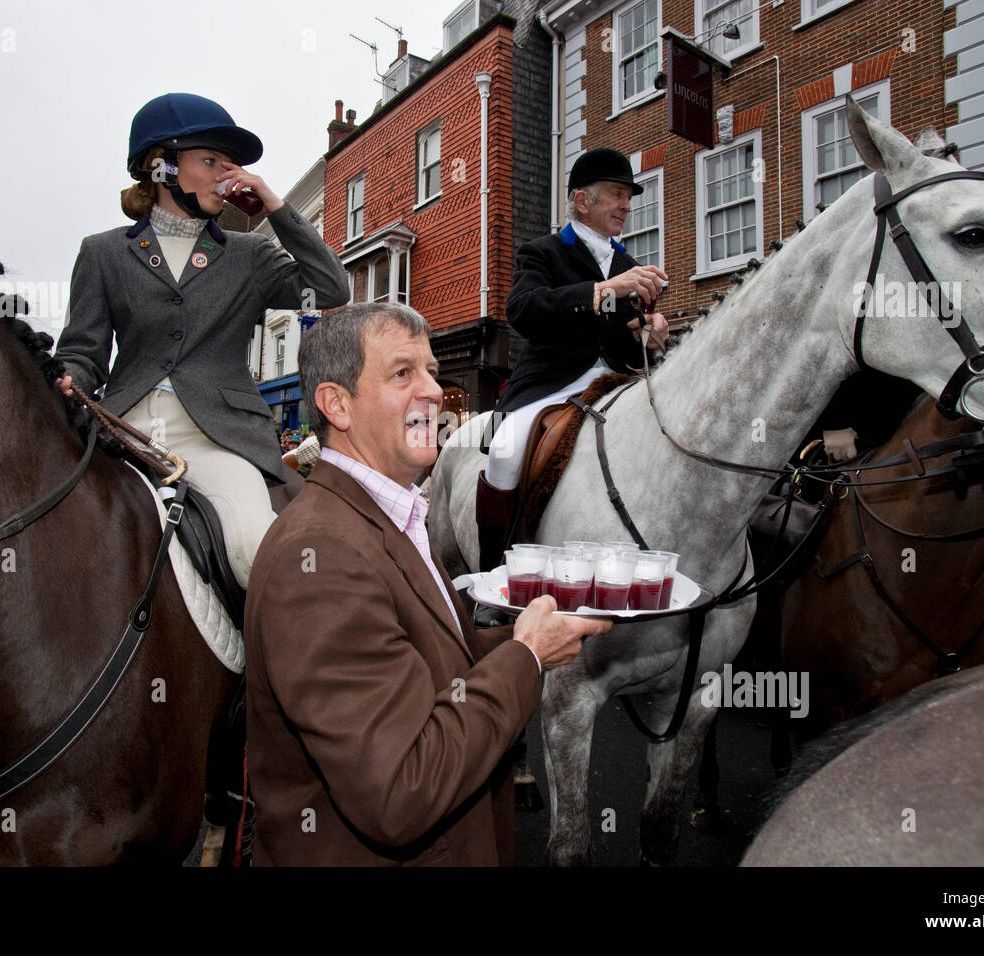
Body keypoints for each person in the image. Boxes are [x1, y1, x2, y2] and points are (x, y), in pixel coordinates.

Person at [243, 302, 612, 865]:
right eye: (402, 373)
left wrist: (527, 637)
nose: (434, 391)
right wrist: (527, 659)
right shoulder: (317, 557)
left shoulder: (397, 514)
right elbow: (399, 792)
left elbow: (425, 660)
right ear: (337, 405)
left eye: (433, 372)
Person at [54, 93, 348, 588]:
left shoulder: (249, 253)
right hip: (121, 430)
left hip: (216, 439)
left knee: (257, 548)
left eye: (228, 164)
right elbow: (83, 351)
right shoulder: (102, 253)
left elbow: (329, 288)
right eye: (210, 160)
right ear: (162, 168)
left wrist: (273, 205)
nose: (224, 174)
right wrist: (68, 379)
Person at [477, 148, 671, 571]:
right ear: (583, 201)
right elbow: (523, 311)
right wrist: (602, 291)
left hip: (618, 384)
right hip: (550, 383)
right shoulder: (542, 252)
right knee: (503, 450)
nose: (626, 205)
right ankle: (492, 574)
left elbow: (623, 339)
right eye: (617, 194)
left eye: (628, 196)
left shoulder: (627, 264)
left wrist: (650, 334)